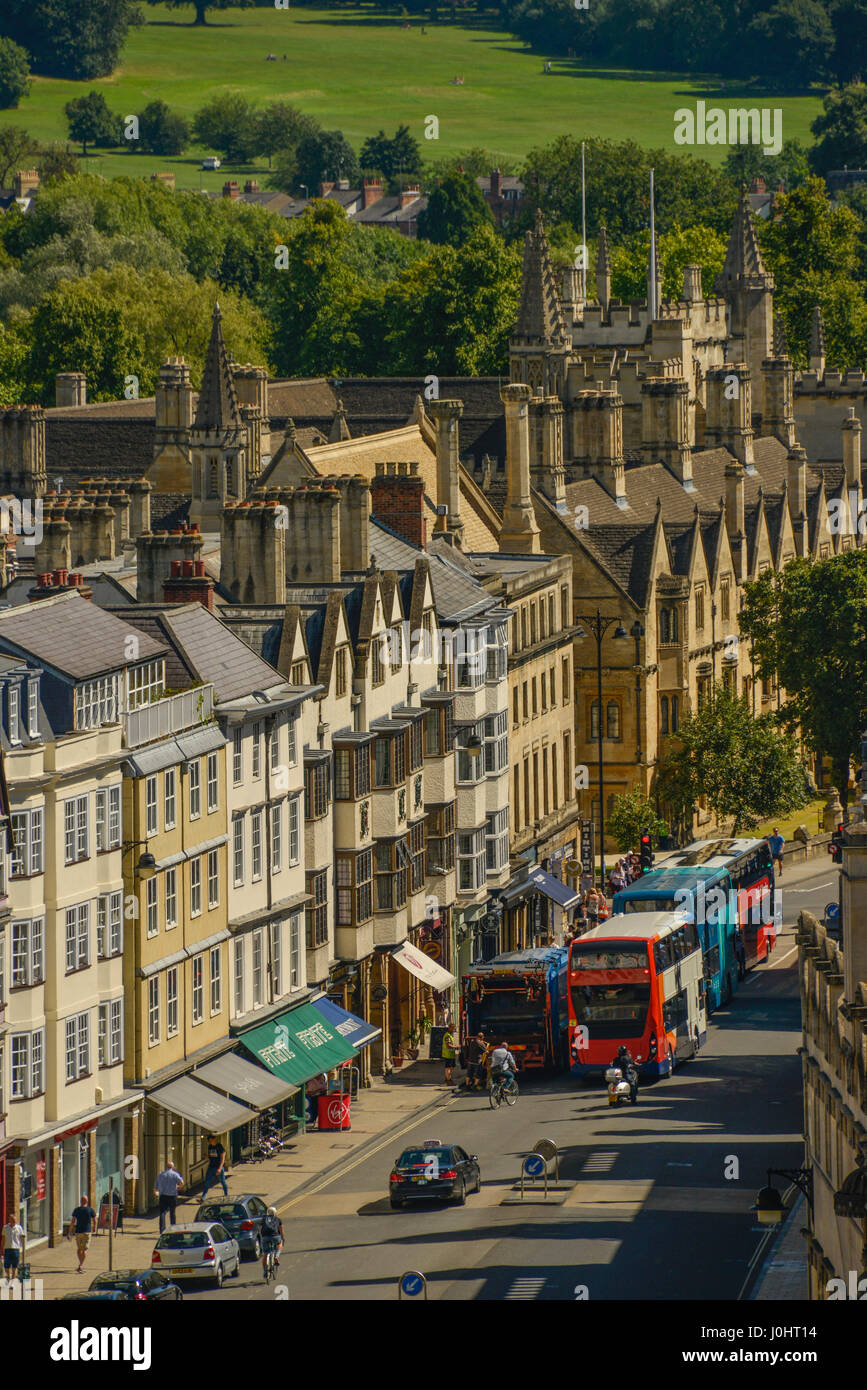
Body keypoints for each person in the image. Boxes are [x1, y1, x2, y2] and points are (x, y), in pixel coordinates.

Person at [67, 1194, 97, 1273]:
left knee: (79, 1249)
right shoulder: (90, 1210)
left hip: (78, 1232)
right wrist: (94, 1228)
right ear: (87, 1201)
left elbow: (73, 1221)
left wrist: (69, 1232)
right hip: (87, 1232)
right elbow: (94, 1220)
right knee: (85, 1249)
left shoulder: (77, 1210)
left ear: (81, 1201)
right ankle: (81, 1265)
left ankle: (80, 1265)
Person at [154, 1159, 185, 1233]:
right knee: (172, 1212)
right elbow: (182, 1183)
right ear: (172, 1167)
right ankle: (173, 1227)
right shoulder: (175, 1174)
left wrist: (156, 1193)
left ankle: (162, 1229)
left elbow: (155, 1187)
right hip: (172, 1196)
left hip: (163, 1196)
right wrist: (178, 1188)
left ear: (166, 1167)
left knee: (162, 1212)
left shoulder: (161, 1175)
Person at [200, 1135, 228, 1200]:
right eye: (209, 1141)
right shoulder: (210, 1147)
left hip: (218, 1167)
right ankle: (203, 1197)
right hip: (211, 1167)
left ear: (214, 1139)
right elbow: (211, 1157)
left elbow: (223, 1158)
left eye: (211, 1140)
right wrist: (207, 1157)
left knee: (222, 1181)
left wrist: (220, 1168)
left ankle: (226, 1194)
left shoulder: (219, 1146)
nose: (210, 1142)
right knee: (207, 1182)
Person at [1, 1212, 24, 1285]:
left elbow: (22, 1238)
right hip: (7, 1248)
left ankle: (13, 1281)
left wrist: (23, 1248)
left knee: (15, 1266)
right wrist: (2, 1249)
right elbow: (3, 1239)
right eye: (13, 1220)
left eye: (15, 1220)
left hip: (16, 1249)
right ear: (10, 1220)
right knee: (6, 1266)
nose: (14, 1222)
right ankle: (8, 1276)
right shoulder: (5, 1228)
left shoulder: (19, 1228)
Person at [260, 1205, 283, 1276]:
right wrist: (282, 1238)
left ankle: (265, 1271)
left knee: (265, 1254)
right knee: (279, 1244)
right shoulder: (278, 1219)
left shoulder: (263, 1219)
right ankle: (276, 1256)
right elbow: (281, 1231)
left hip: (265, 1237)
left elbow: (260, 1228)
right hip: (275, 1236)